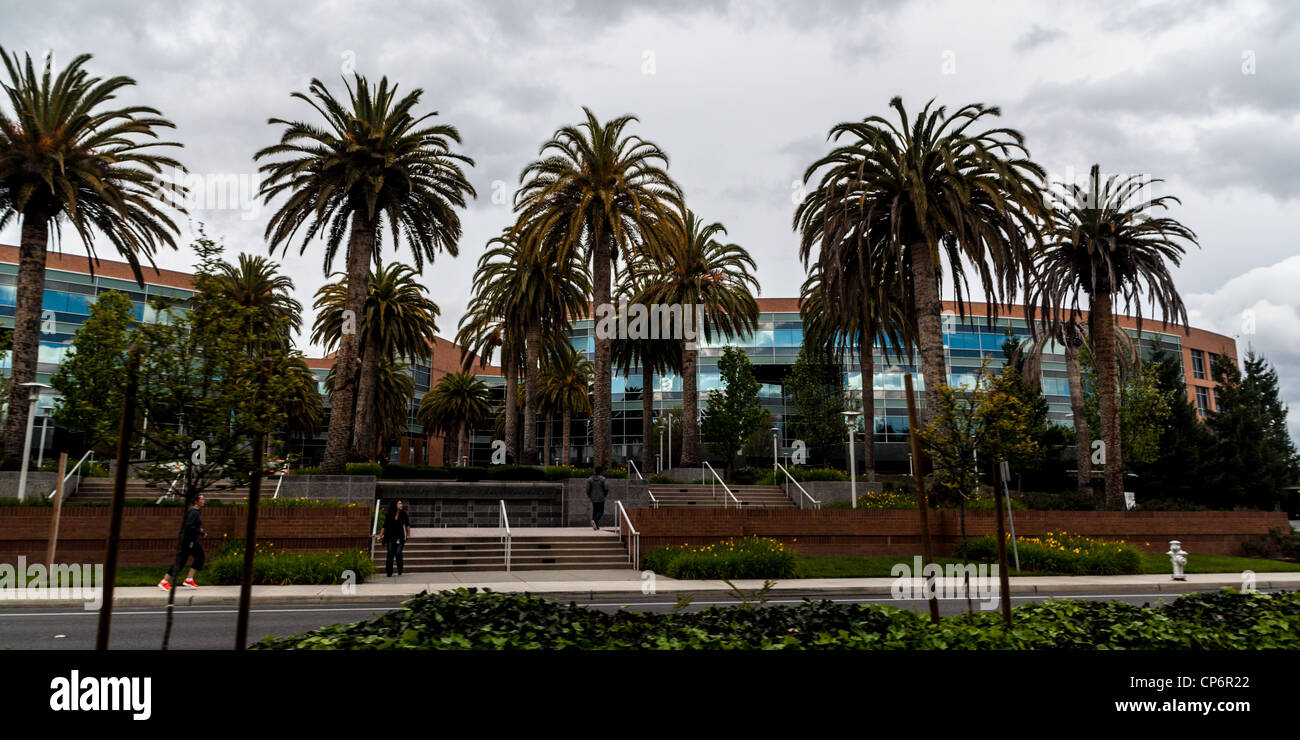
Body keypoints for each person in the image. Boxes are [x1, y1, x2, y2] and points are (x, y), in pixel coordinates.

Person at [158, 494, 207, 591]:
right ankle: (164, 582)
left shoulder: (195, 512)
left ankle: (188, 580)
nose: (204, 500)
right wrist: (201, 532)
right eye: (202, 499)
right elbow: (188, 526)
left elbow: (192, 525)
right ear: (196, 501)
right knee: (182, 561)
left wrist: (198, 529)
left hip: (190, 540)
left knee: (199, 557)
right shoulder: (194, 512)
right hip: (188, 541)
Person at [375, 499, 411, 576]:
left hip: (400, 537)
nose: (401, 505)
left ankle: (400, 569)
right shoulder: (389, 514)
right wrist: (380, 536)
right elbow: (384, 526)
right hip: (390, 537)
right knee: (390, 554)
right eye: (399, 503)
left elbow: (407, 525)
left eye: (401, 503)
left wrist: (408, 534)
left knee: (398, 553)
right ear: (395, 505)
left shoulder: (403, 514)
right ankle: (389, 572)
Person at [586, 465, 609, 531]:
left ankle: (596, 526)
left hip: (593, 497)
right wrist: (604, 494)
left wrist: (589, 495)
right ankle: (594, 520)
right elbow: (606, 488)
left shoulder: (590, 479)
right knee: (600, 512)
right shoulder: (603, 479)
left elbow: (587, 489)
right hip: (601, 497)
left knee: (595, 511)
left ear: (595, 471)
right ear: (601, 471)